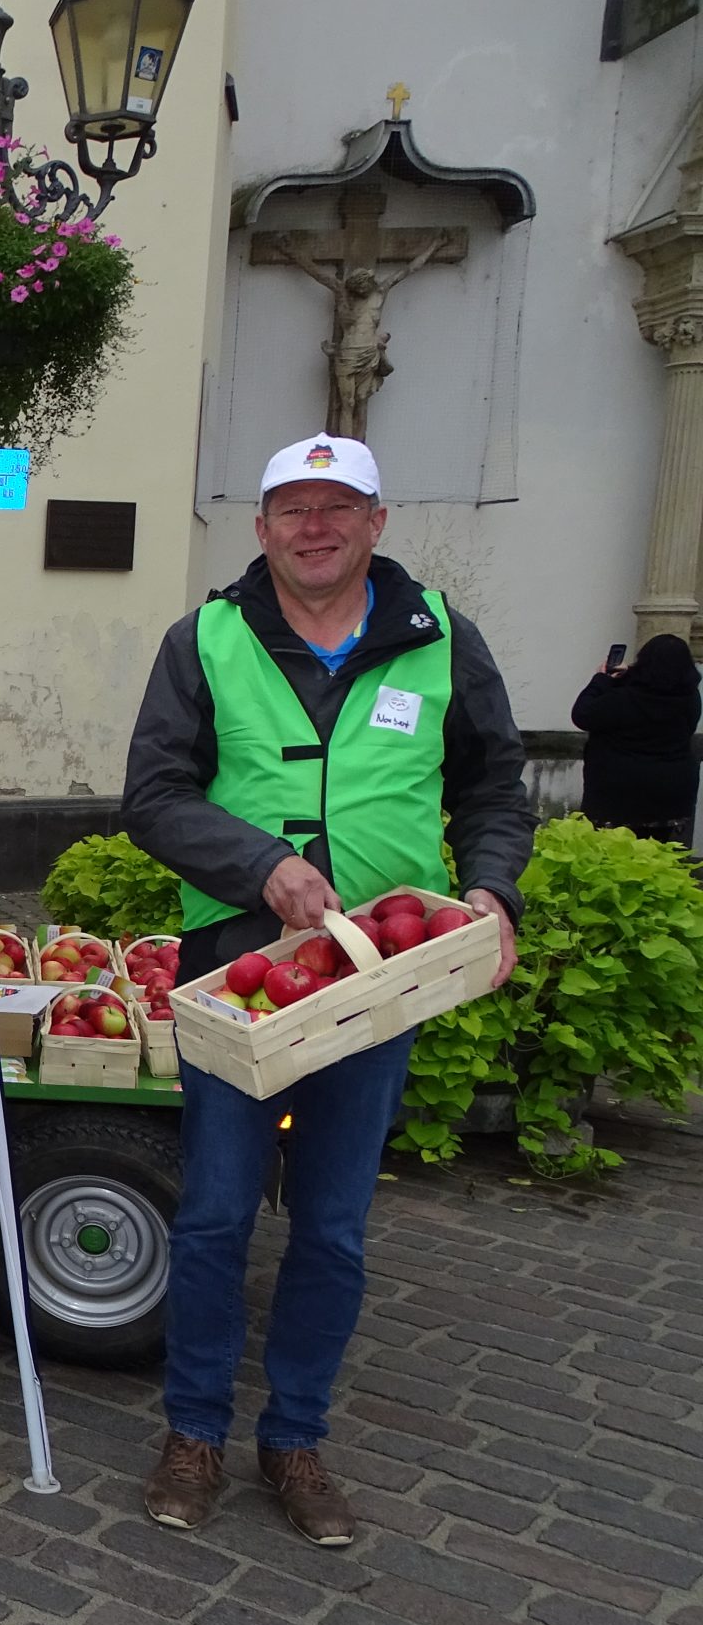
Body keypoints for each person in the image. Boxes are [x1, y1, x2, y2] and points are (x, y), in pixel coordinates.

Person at [124, 433, 531, 1546]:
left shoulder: (441, 637)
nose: (314, 526)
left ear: (374, 522)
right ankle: (193, 1430)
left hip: (378, 973)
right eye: (291, 508)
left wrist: (494, 889)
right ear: (258, 529)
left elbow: (496, 785)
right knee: (209, 1217)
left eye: (335, 507)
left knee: (334, 1229)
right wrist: (256, 862)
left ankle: (295, 1438)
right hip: (240, 966)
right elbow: (152, 794)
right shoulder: (204, 638)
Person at [573, 634, 700, 849]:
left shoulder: (623, 699)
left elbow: (582, 715)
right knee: (656, 858)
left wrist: (602, 679)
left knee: (612, 859)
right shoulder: (690, 699)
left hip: (618, 795)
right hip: (671, 796)